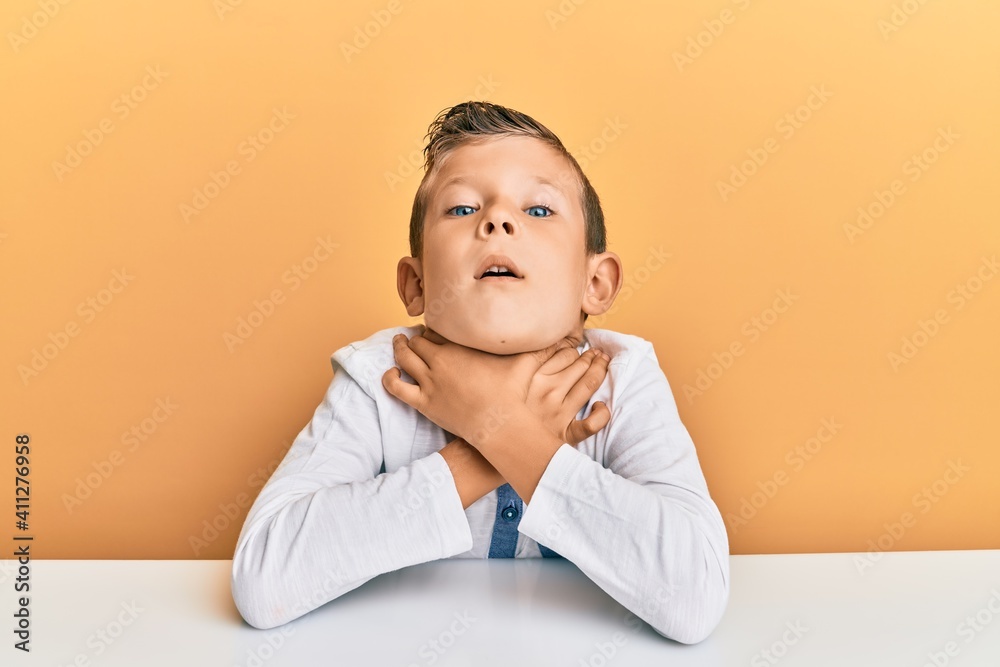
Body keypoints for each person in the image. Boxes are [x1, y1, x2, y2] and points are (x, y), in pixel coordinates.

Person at [231, 101, 730, 644]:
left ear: (597, 284)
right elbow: (264, 579)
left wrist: (512, 435)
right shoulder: (379, 378)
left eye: (538, 210)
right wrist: (485, 444)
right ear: (416, 285)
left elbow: (694, 594)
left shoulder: (621, 379)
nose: (497, 220)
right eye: (462, 209)